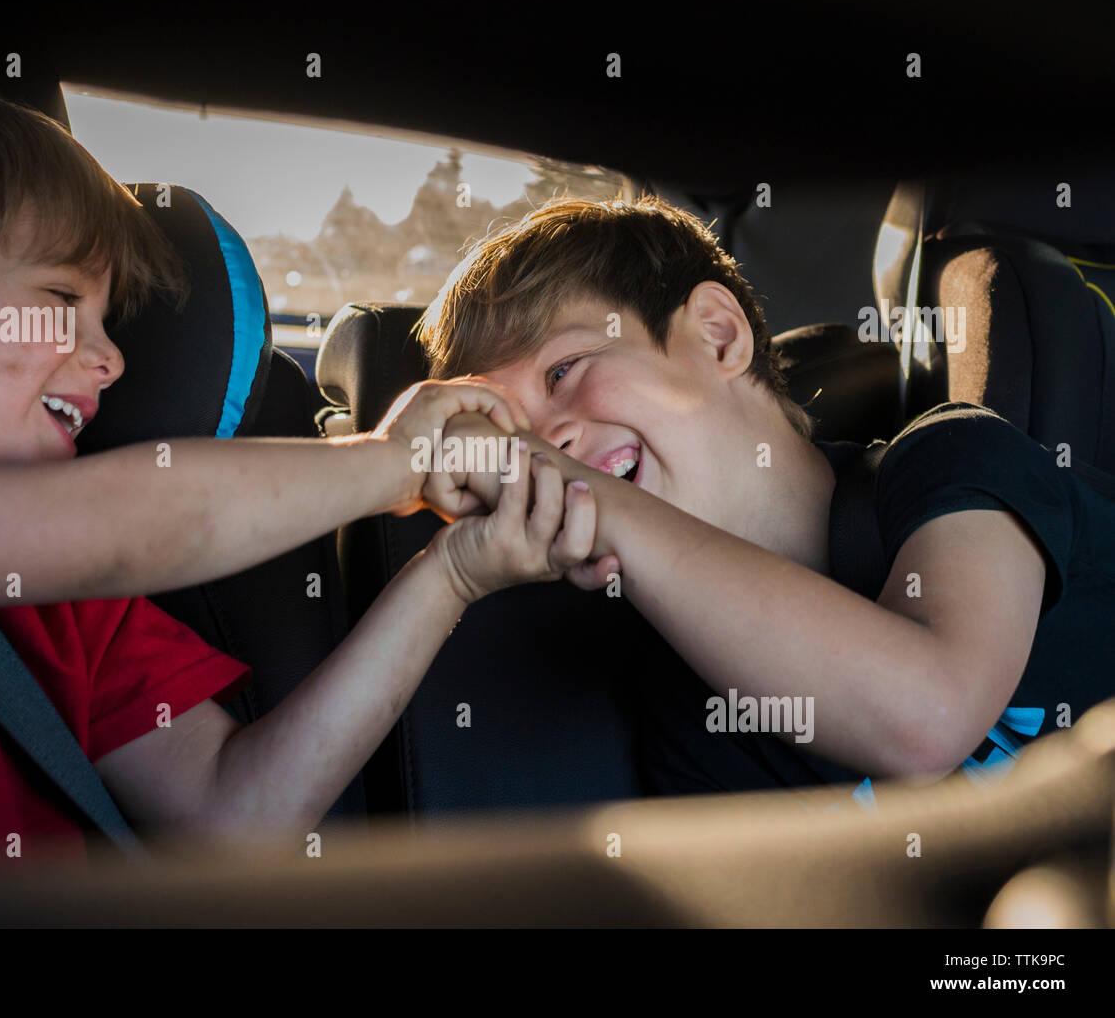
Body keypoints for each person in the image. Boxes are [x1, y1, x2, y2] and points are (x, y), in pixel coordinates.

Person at [0, 60, 608, 868]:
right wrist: (393, 463)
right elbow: (127, 523)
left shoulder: (73, 604)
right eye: (60, 301)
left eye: (109, 318)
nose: (113, 359)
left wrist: (452, 576)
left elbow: (239, 815)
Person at [417, 194, 1115, 798]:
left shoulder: (955, 460)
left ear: (718, 336)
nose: (546, 445)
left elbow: (929, 713)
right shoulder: (697, 712)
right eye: (515, 438)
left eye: (565, 369)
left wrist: (613, 511)